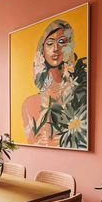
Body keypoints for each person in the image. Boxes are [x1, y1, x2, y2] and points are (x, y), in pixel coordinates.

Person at [22, 19, 87, 149]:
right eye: (50, 43)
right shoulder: (29, 104)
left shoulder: (81, 92)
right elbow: (32, 142)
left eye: (62, 42)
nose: (55, 48)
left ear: (69, 47)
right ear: (43, 50)